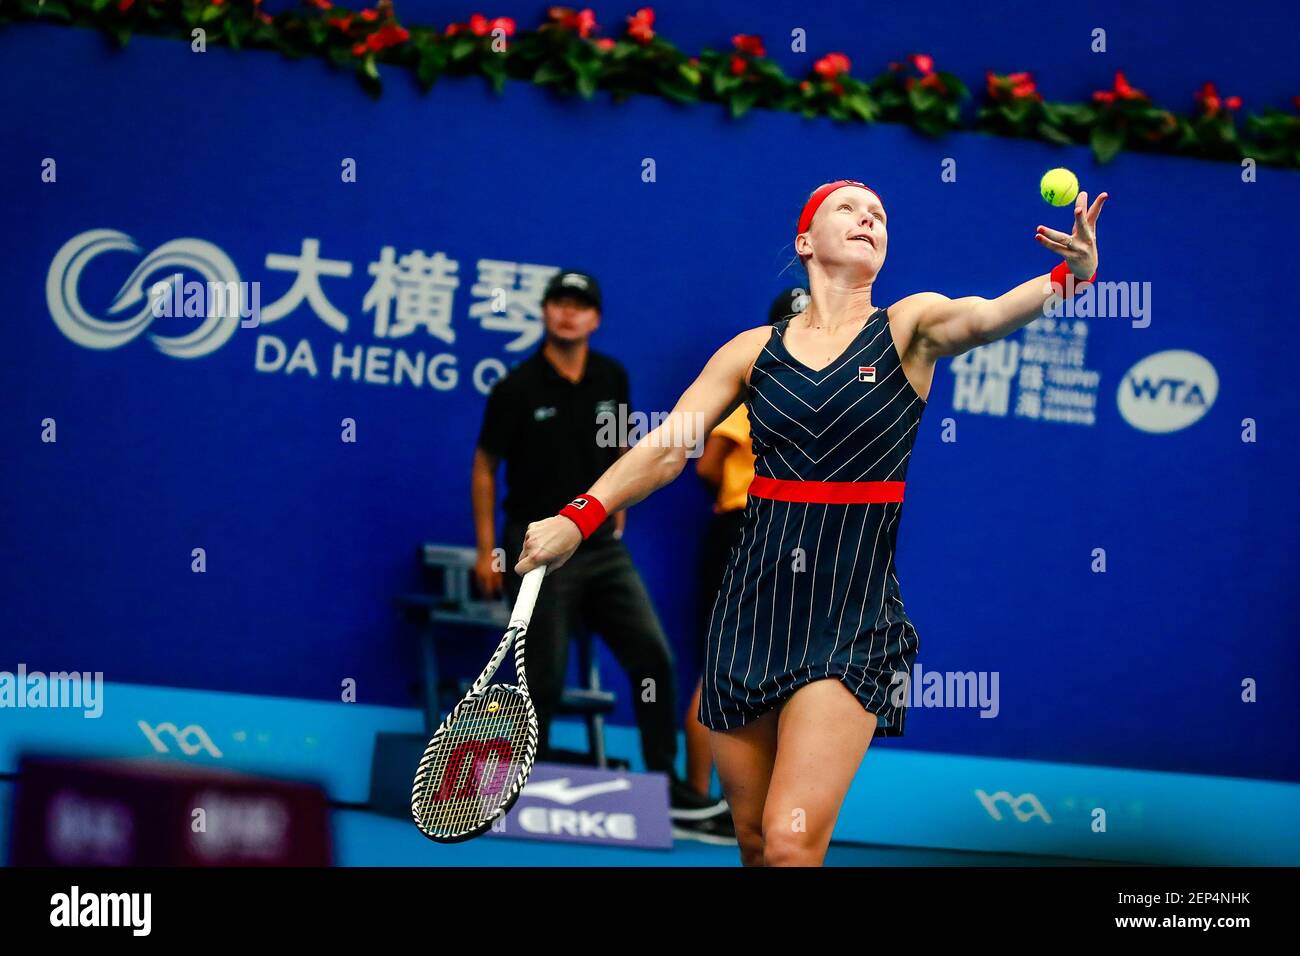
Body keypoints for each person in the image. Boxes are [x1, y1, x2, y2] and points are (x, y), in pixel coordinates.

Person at [510, 180, 1108, 865]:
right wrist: (579, 517)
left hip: (852, 621)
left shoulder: (910, 326)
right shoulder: (750, 351)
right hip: (752, 615)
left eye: (879, 214)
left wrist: (1069, 277)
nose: (868, 219)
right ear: (805, 242)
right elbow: (668, 447)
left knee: (794, 844)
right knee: (759, 841)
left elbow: (986, 316)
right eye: (848, 210)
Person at [470, 269, 729, 834]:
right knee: (544, 675)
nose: (568, 313)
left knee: (652, 659)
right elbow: (485, 466)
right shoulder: (515, 388)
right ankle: (516, 788)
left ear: (595, 319)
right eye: (559, 303)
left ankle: (668, 786)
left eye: (580, 306)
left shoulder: (611, 377)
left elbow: (623, 447)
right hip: (538, 548)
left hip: (601, 548)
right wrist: (487, 548)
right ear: (545, 312)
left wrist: (620, 505)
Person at [684, 288, 808, 801]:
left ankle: (744, 803)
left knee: (775, 673)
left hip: (792, 540)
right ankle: (695, 797)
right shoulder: (759, 386)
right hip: (746, 534)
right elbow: (708, 464)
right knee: (723, 668)